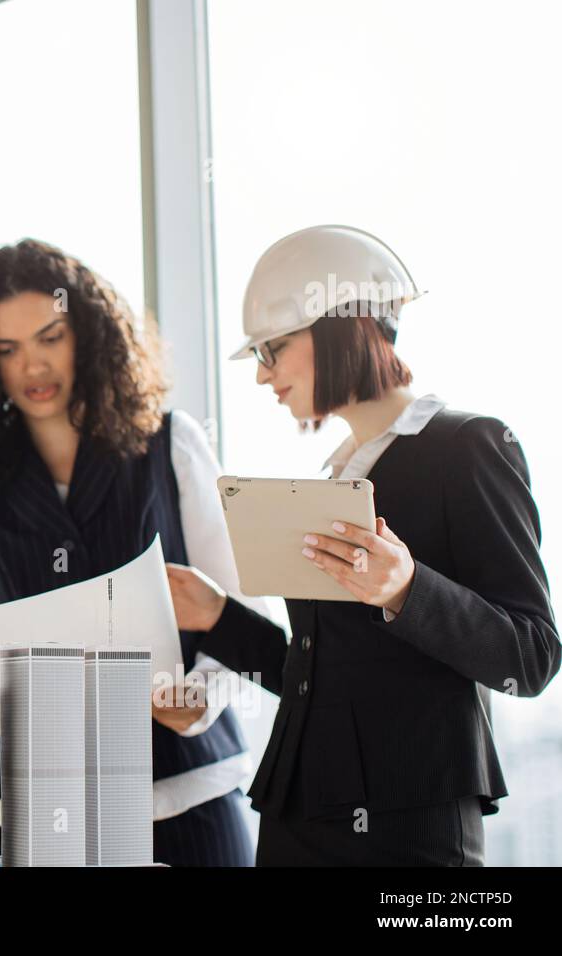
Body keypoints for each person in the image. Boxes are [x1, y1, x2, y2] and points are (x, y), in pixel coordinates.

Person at [167, 224, 560, 865]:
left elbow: (533, 655)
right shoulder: (337, 478)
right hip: (297, 815)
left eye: (273, 349)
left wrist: (408, 590)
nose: (264, 376)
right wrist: (218, 618)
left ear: (338, 327)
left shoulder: (467, 447)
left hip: (408, 825)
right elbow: (313, 674)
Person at [0, 238, 271, 866]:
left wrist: (202, 699)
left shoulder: (170, 443)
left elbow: (243, 607)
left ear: (88, 335)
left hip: (191, 797)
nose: (33, 368)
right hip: (49, 816)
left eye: (50, 338)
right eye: (7, 350)